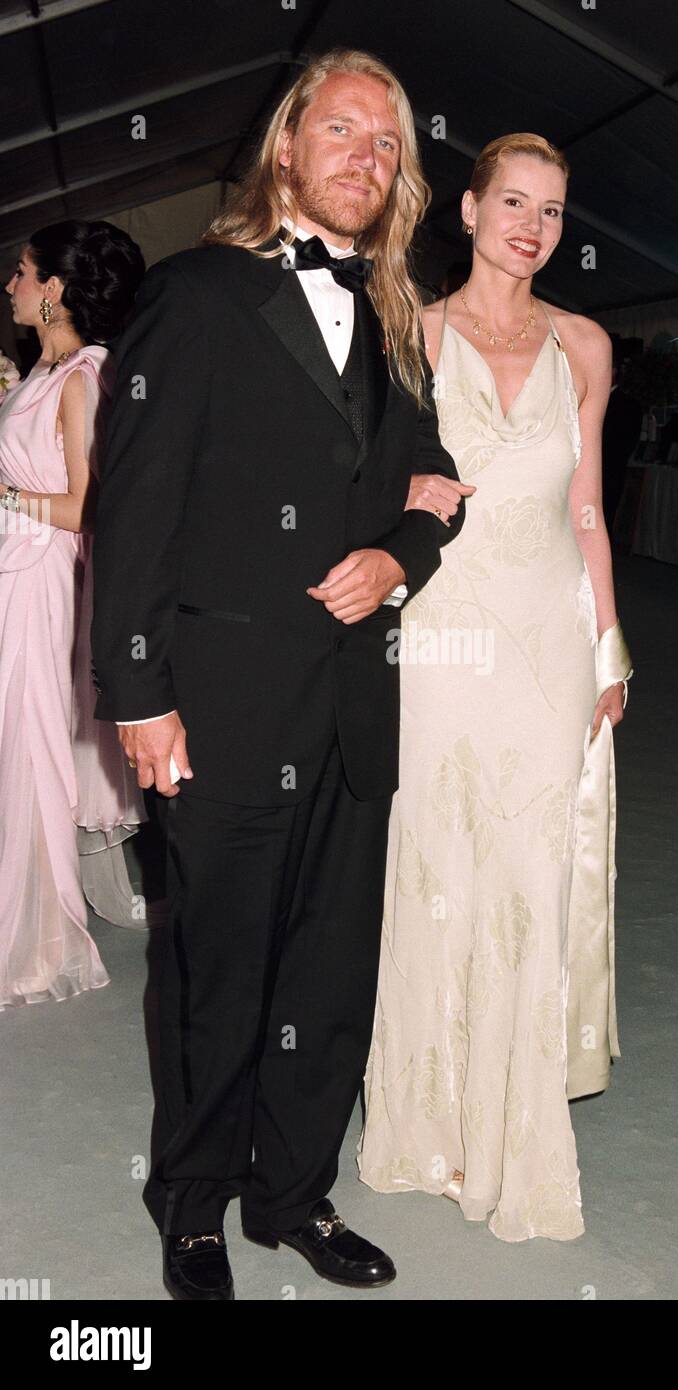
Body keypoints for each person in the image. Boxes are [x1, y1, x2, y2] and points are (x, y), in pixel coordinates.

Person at [90, 48, 469, 1300]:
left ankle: (292, 1197)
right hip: (224, 706)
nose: (366, 156)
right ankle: (193, 1207)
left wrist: (395, 559)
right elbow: (133, 510)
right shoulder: (194, 294)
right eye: (343, 131)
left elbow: (436, 483)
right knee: (216, 971)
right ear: (288, 146)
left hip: (354, 703)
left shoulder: (402, 316)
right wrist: (140, 696)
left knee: (328, 970)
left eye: (387, 143)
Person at [357, 134, 634, 1241]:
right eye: (511, 201)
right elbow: (373, 493)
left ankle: (516, 1137)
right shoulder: (411, 335)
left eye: (552, 210)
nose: (530, 225)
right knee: (434, 856)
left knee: (526, 867)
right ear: (465, 211)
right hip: (439, 631)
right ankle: (427, 1126)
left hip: (548, 634)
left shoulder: (585, 343)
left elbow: (586, 509)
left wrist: (607, 644)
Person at [0, 220, 148, 1011]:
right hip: (13, 568)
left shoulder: (85, 376)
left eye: (21, 272)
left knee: (32, 743)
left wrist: (4, 497)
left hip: (40, 577)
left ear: (55, 288)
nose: (13, 285)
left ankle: (43, 935)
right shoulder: (39, 372)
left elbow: (88, 503)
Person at [601, 348, 643, 537]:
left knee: (604, 518)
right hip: (589, 470)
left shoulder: (628, 405)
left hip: (610, 471)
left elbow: (626, 442)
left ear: (613, 371)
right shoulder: (593, 398)